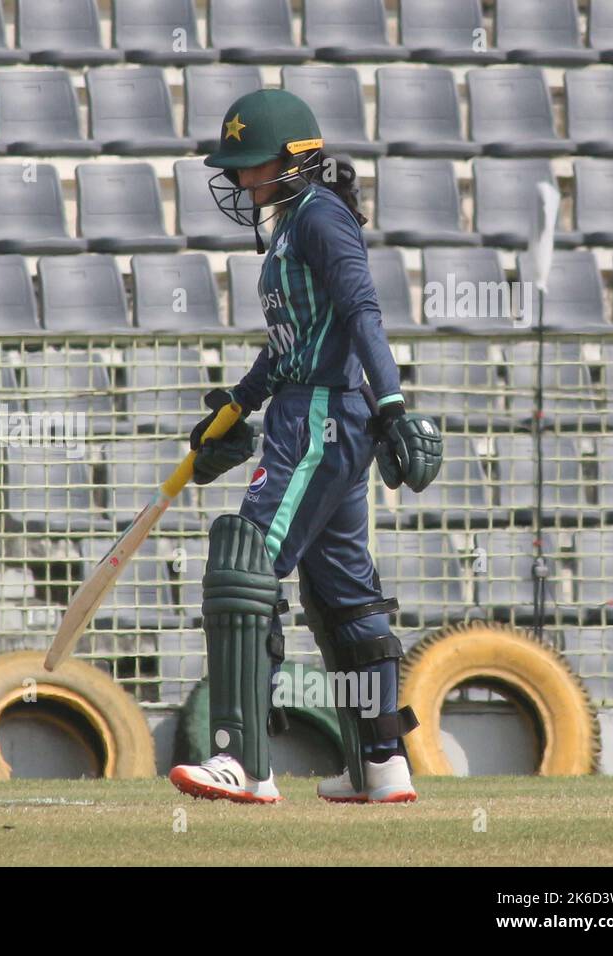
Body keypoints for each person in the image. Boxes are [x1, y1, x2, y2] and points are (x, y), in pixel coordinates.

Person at [167, 90, 442, 804]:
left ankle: (241, 760)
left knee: (245, 568)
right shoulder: (295, 221)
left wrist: (393, 404)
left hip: (319, 418)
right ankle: (381, 762)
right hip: (315, 412)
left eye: (250, 165)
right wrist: (238, 403)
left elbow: (361, 311)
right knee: (344, 595)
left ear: (295, 159)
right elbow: (290, 341)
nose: (239, 180)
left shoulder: (320, 218)